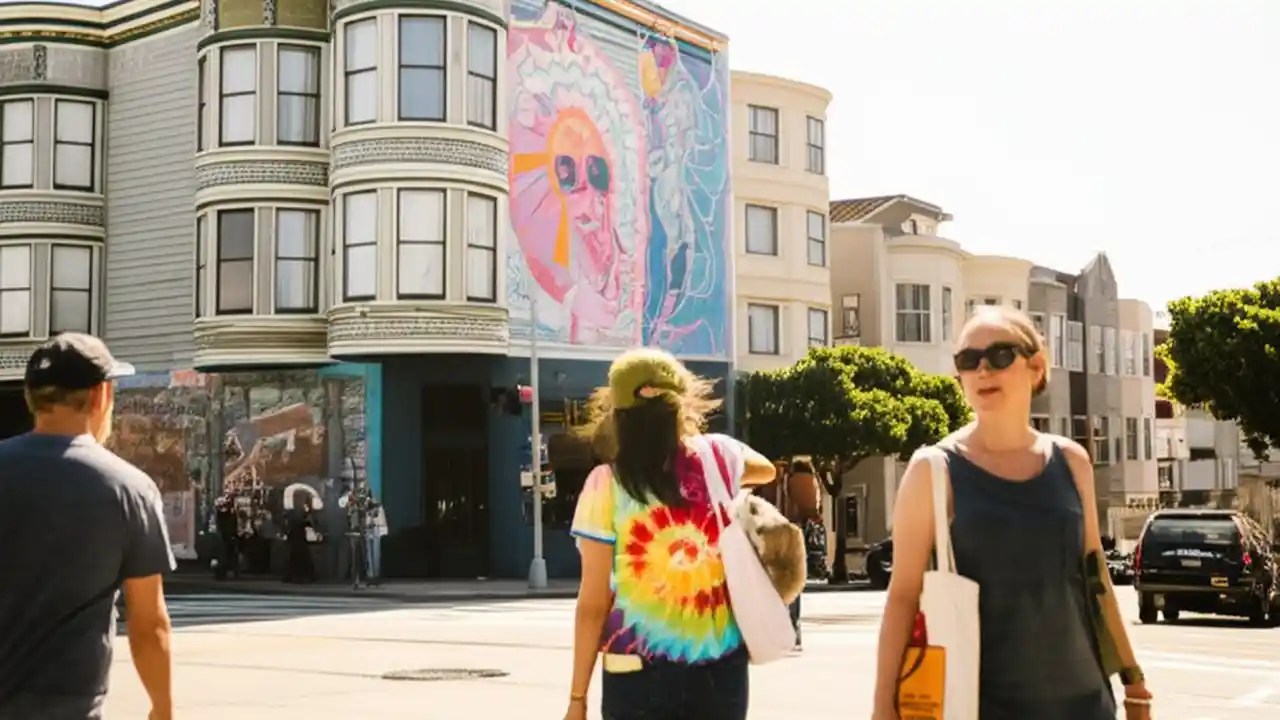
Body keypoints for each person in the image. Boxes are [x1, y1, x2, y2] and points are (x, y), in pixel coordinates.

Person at [871, 306, 1153, 720]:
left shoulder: (1072, 462)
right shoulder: (933, 470)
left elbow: (1098, 583)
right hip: (978, 705)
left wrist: (1134, 682)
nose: (983, 370)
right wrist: (883, 709)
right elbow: (902, 598)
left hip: (1084, 702)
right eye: (969, 361)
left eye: (1000, 356)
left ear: (1036, 367)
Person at [564, 349, 777, 720]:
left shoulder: (606, 485)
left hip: (635, 670)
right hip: (720, 670)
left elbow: (594, 603)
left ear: (618, 415)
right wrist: (706, 454)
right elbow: (766, 470)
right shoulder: (720, 457)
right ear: (683, 406)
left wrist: (577, 697)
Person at [0, 333, 175, 720]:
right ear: (101, 397)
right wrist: (162, 708)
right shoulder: (130, 489)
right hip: (68, 706)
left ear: (31, 398)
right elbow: (149, 623)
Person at [785, 458, 821, 649]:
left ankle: (785, 628)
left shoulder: (787, 478)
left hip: (781, 528)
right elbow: (813, 508)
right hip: (799, 531)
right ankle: (794, 629)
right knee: (796, 582)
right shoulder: (810, 478)